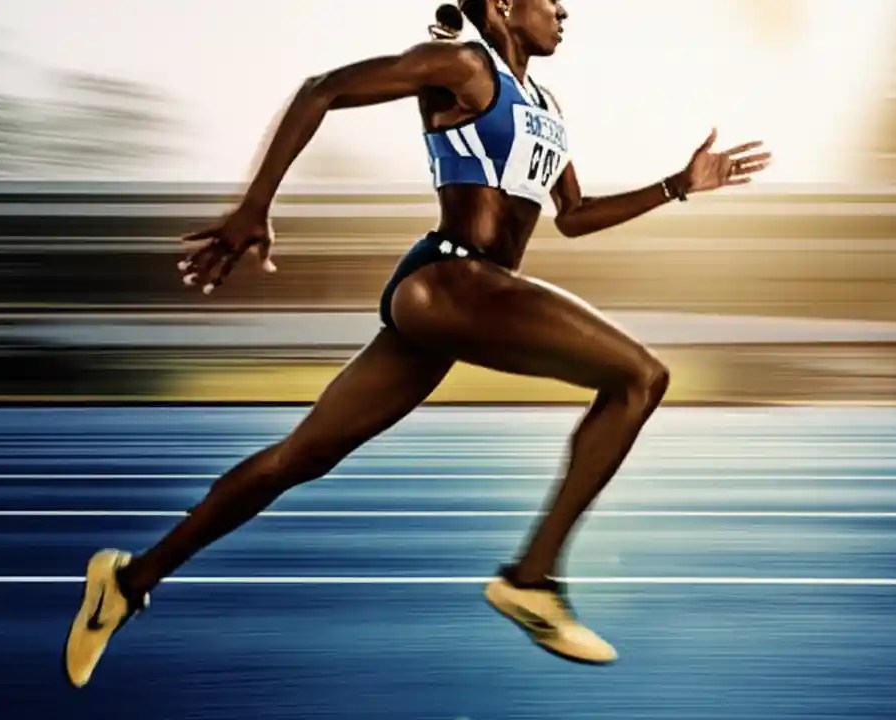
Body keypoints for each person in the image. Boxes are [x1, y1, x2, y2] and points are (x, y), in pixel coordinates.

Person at [64, 0, 770, 686]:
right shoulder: (463, 65)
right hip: (451, 280)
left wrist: (680, 183)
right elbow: (324, 90)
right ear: (502, 3)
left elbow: (575, 217)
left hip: (460, 298)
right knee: (640, 377)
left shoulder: (546, 105)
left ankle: (126, 582)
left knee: (296, 458)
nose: (565, 10)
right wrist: (256, 204)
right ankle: (532, 581)